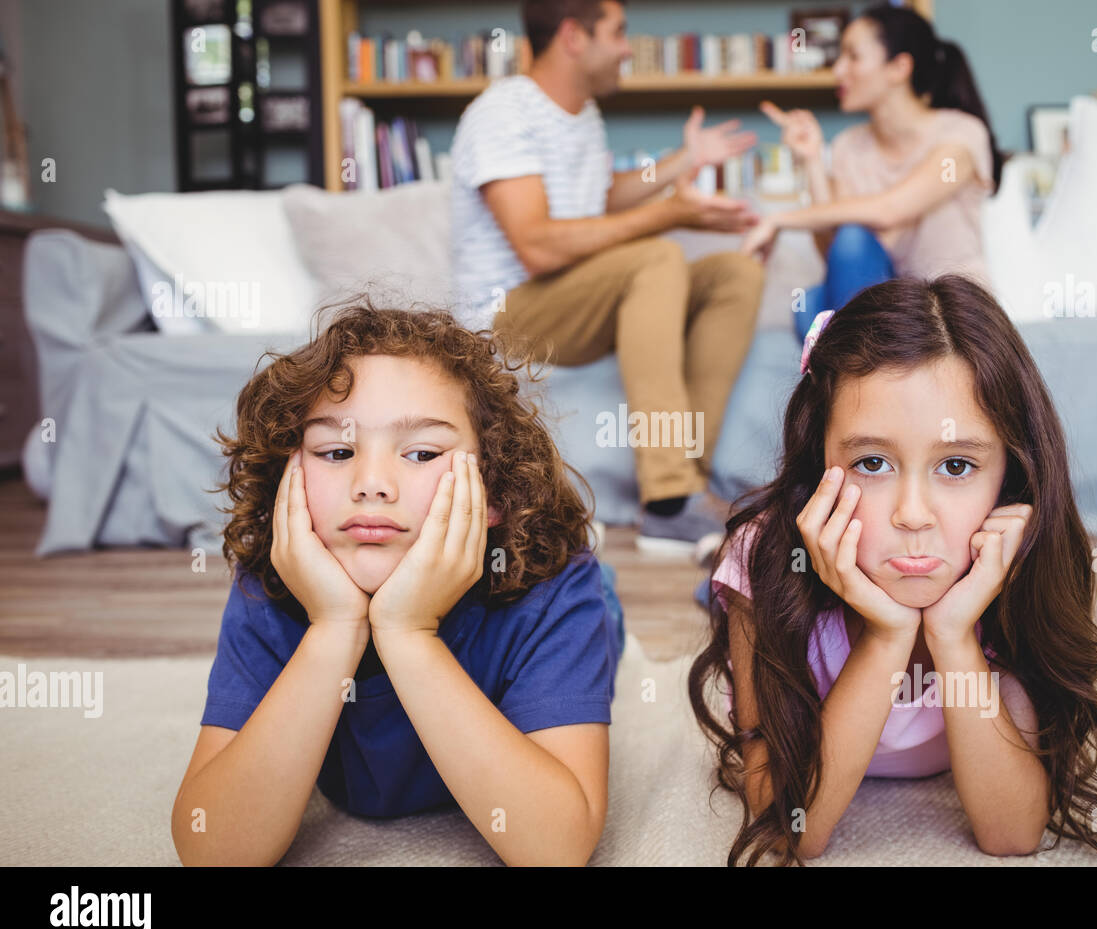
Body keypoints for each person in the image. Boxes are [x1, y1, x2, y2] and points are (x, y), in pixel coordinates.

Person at [687, 275, 1097, 866]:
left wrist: (952, 633)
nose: (912, 515)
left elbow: (1012, 835)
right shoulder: (761, 564)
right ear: (820, 460)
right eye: (872, 462)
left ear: (1011, 475)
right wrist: (889, 635)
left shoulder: (1015, 562)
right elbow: (794, 832)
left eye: (957, 466)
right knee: (755, 554)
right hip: (793, 574)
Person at [172, 299, 625, 866]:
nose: (372, 483)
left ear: (495, 492)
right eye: (337, 451)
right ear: (286, 480)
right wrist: (334, 626)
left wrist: (409, 632)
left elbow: (555, 849)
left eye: (420, 453)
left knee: (599, 596)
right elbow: (213, 852)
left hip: (545, 579)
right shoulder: (268, 589)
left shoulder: (553, 590)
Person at [450, 0, 766, 557]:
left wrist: (681, 163)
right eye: (618, 33)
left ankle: (684, 483)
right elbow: (539, 244)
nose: (627, 48)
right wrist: (670, 213)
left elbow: (599, 199)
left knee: (732, 274)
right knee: (657, 257)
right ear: (574, 36)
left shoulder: (582, 113)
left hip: (574, 298)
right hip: (502, 314)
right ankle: (669, 498)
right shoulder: (503, 113)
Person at [740, 3, 1005, 342]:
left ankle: (852, 358)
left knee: (817, 311)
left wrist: (778, 219)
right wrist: (812, 162)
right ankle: (862, 364)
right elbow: (838, 252)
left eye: (852, 56)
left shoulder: (961, 133)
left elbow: (889, 210)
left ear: (898, 67)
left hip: (954, 311)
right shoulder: (850, 146)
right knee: (815, 295)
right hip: (890, 308)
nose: (838, 70)